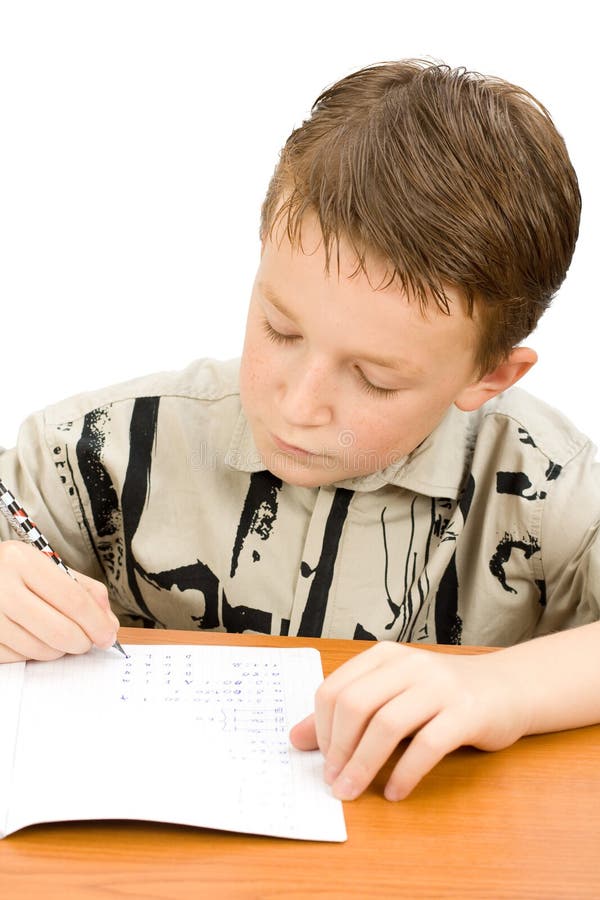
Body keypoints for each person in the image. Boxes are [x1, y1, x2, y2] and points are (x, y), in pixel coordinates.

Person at [1, 59, 599, 804]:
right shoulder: (101, 448)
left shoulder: (552, 488)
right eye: (280, 330)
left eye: (376, 378)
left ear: (489, 378)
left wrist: (506, 688)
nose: (300, 403)